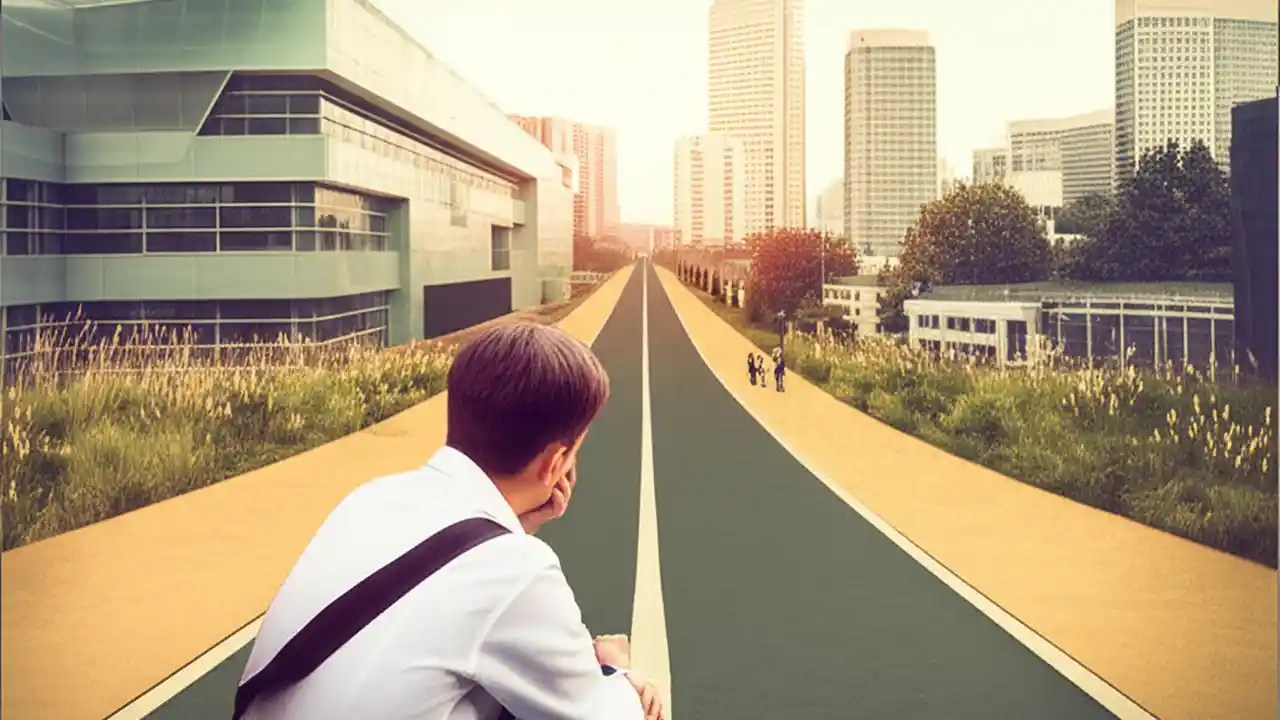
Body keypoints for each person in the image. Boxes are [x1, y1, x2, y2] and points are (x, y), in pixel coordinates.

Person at [236, 323, 664, 720]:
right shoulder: (518, 571)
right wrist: (615, 671)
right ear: (555, 464)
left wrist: (516, 524)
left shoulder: (370, 498)